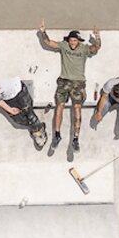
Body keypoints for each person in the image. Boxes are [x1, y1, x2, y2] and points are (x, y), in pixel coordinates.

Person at [38, 24, 101, 158]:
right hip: (64, 81)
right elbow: (49, 43)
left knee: (77, 109)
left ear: (78, 41)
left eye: (75, 40)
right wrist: (43, 32)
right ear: (68, 40)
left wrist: (97, 37)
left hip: (78, 83)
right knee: (59, 107)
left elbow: (96, 49)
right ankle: (57, 135)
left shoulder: (84, 49)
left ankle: (75, 139)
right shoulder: (64, 46)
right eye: (71, 40)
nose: (72, 43)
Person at [0, 77, 48, 150]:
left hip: (19, 90)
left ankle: (38, 132)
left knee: (29, 113)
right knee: (18, 119)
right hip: (10, 99)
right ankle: (38, 126)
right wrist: (10, 110)